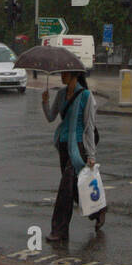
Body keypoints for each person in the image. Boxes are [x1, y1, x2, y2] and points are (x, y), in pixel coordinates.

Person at [41, 69, 103, 241]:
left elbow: (89, 127)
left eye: (65, 74)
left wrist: (91, 155)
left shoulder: (86, 96)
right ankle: (98, 212)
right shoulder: (61, 94)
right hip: (63, 145)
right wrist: (45, 103)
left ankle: (59, 230)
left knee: (65, 190)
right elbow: (51, 117)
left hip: (78, 147)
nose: (62, 76)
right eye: (61, 74)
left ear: (75, 75)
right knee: (74, 189)